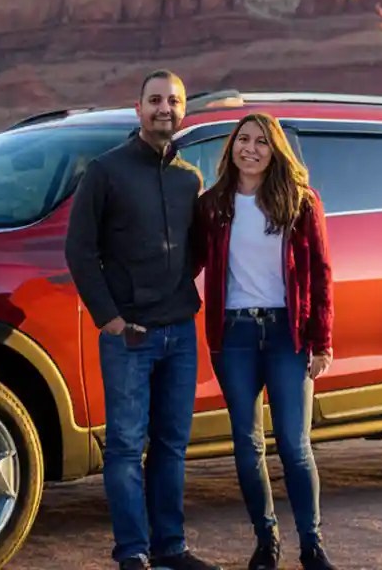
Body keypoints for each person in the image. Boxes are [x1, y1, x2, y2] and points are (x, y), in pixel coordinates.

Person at [65, 69, 222, 570]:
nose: (165, 109)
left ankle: (170, 548)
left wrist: (179, 289)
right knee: (127, 447)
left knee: (173, 444)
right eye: (155, 100)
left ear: (183, 111)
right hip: (128, 334)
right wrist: (109, 318)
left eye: (174, 102)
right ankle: (132, 552)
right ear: (138, 110)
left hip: (179, 330)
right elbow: (80, 251)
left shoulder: (189, 179)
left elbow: (196, 250)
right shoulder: (106, 172)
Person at [191, 112, 337, 570]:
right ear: (231, 147)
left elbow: (320, 275)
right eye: (243, 140)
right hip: (232, 335)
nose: (250, 149)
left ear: (275, 150)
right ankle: (266, 540)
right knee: (247, 445)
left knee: (294, 445)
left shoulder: (300, 202)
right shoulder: (213, 205)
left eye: (261, 142)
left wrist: (322, 341)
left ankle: (311, 545)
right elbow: (189, 261)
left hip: (286, 334)